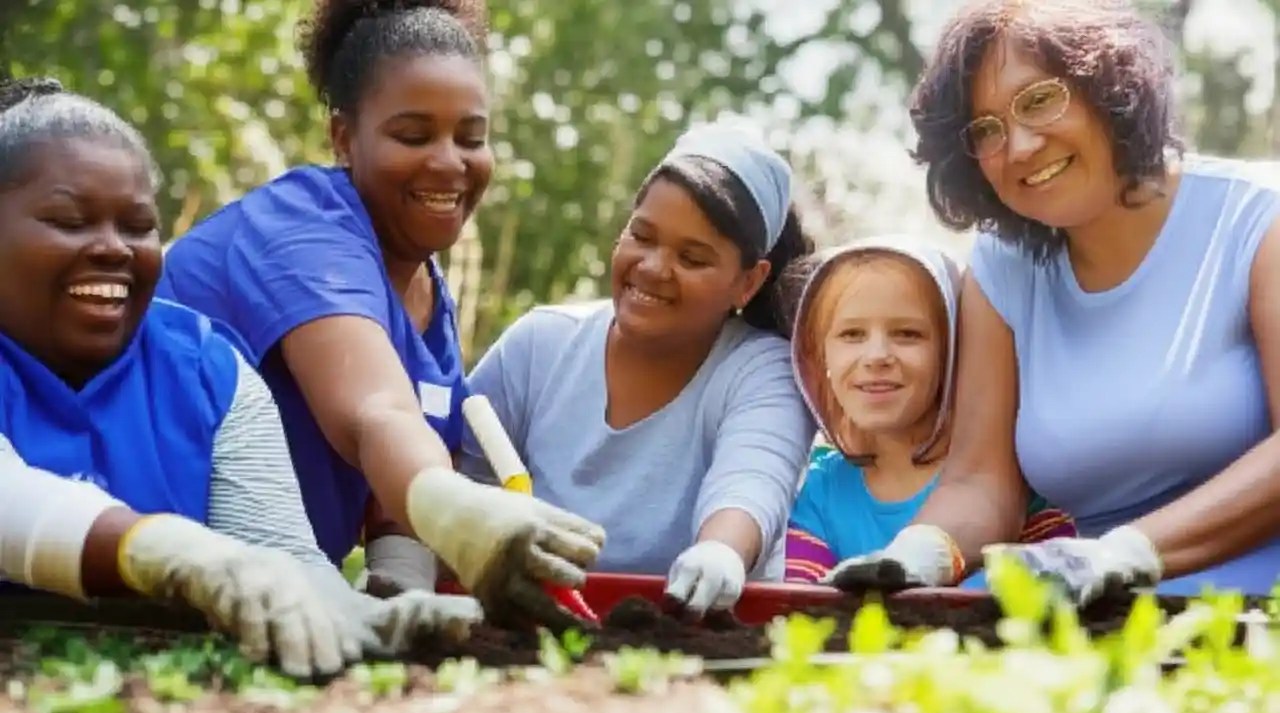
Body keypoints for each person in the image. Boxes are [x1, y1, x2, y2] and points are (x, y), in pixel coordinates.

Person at [0, 77, 483, 678]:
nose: (113, 249)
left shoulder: (212, 370)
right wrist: (175, 556)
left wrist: (348, 608)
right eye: (68, 221)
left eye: (137, 226)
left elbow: (278, 554)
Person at [155, 0, 605, 628]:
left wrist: (400, 592)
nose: (449, 162)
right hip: (160, 585)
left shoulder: (426, 291)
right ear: (344, 138)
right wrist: (458, 510)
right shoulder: (301, 229)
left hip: (283, 600)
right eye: (414, 136)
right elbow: (373, 413)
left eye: (471, 137)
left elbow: (400, 479)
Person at [824, 0, 1280, 604]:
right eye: (986, 130)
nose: (1018, 146)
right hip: (1096, 613)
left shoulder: (1258, 218)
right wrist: (920, 554)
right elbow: (983, 481)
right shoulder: (1001, 265)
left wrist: (1129, 553)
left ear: (1110, 89)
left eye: (1038, 100)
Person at [456, 120, 818, 616]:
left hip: (693, 638)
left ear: (748, 283)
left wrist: (721, 553)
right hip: (532, 629)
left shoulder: (762, 370)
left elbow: (754, 481)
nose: (652, 267)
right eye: (642, 236)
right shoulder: (540, 345)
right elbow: (453, 478)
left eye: (692, 258)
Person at [778, 238, 1075, 585]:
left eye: (907, 334)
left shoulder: (1006, 476)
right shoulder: (820, 490)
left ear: (954, 352)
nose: (876, 356)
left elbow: (1052, 586)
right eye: (852, 334)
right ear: (818, 356)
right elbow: (799, 605)